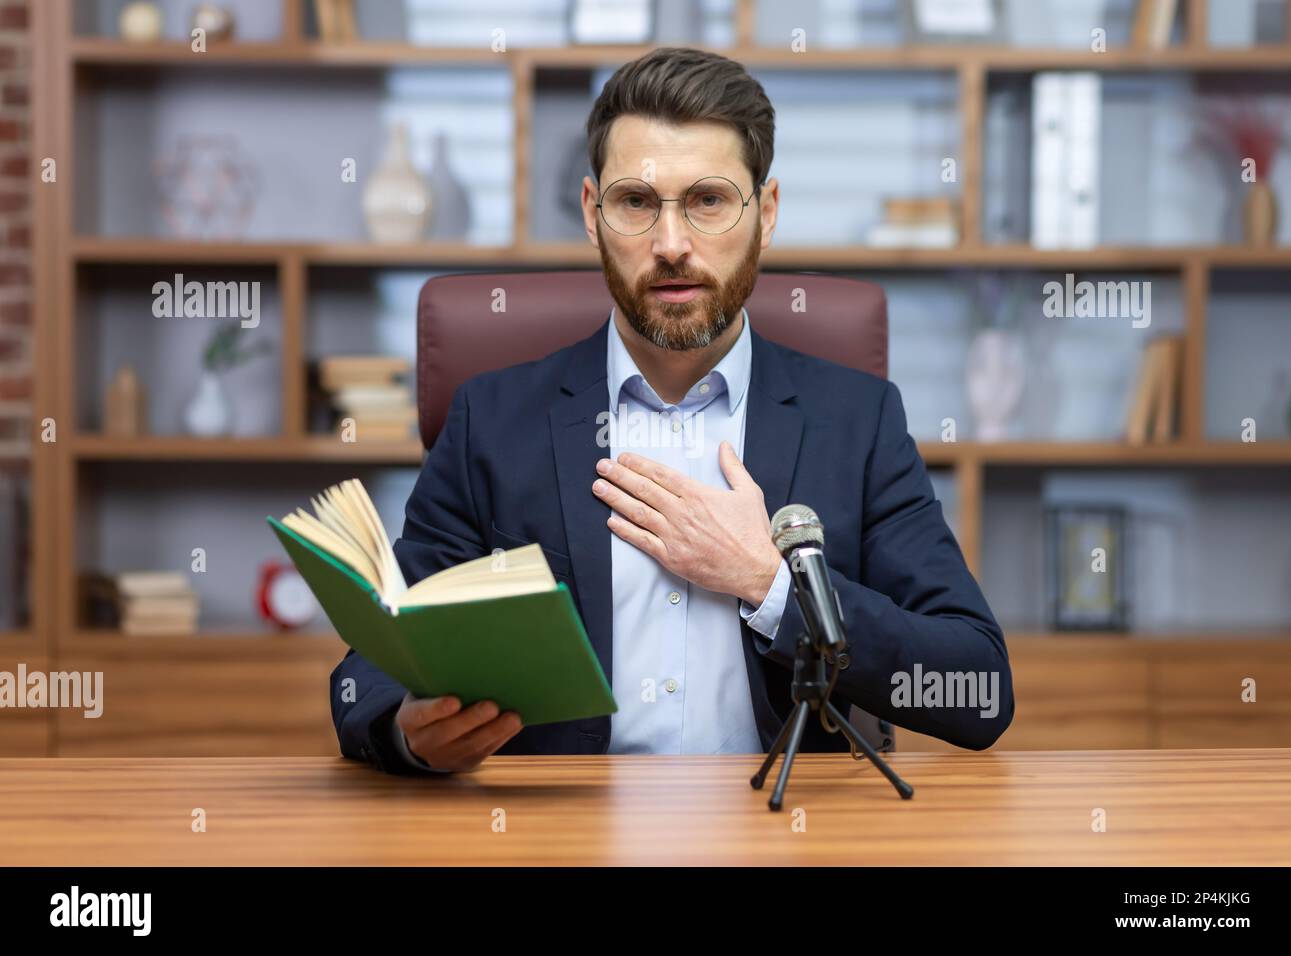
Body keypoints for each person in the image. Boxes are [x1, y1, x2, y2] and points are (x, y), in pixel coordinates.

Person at [330, 46, 1014, 775]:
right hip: (555, 840)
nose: (671, 245)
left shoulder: (860, 423)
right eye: (636, 203)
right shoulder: (490, 422)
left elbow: (976, 688)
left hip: (786, 838)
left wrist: (769, 585)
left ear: (767, 213)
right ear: (593, 214)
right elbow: (365, 674)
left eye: (708, 200)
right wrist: (407, 732)